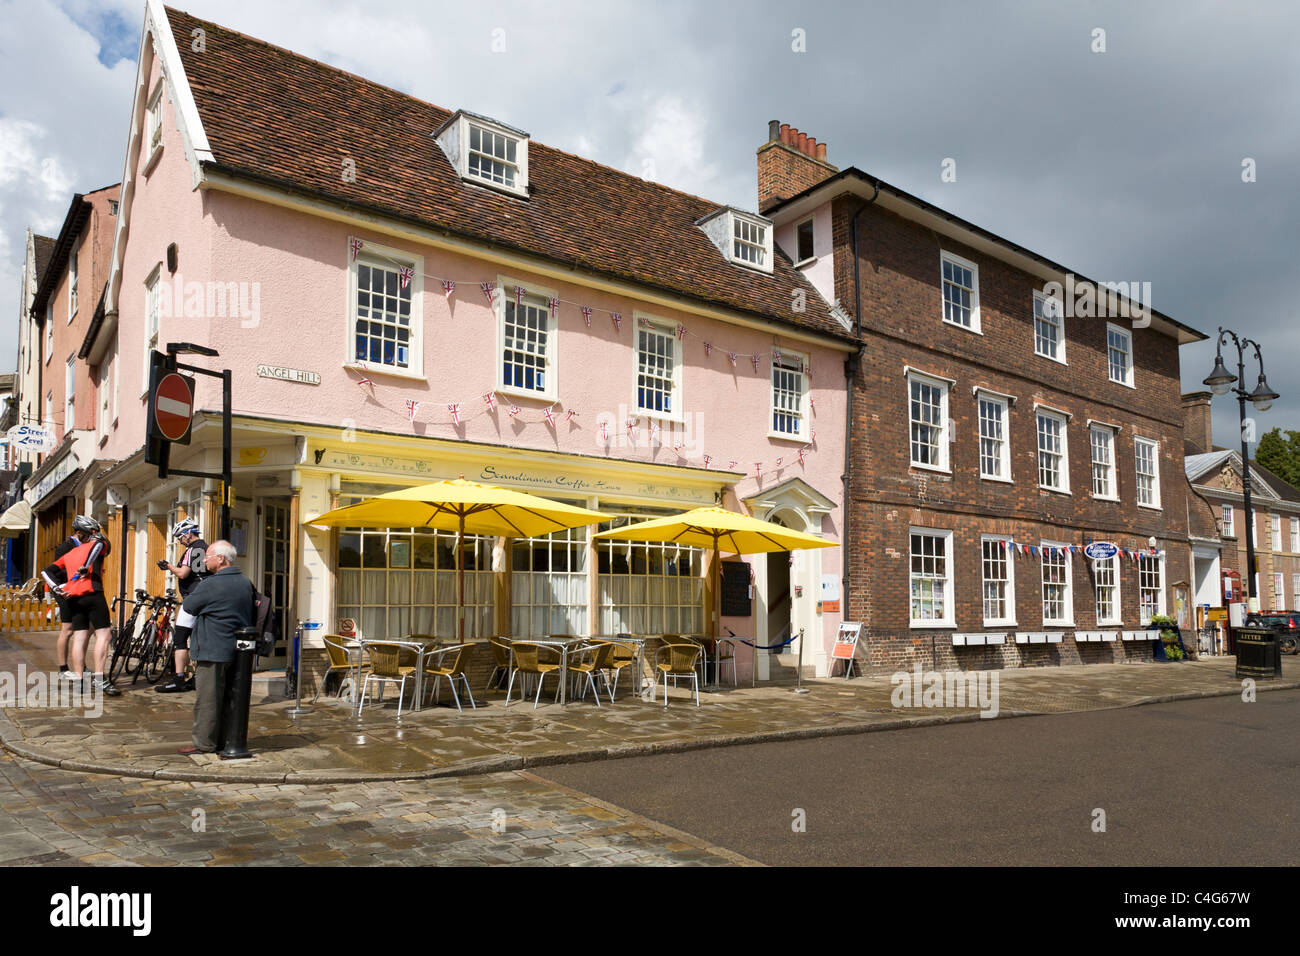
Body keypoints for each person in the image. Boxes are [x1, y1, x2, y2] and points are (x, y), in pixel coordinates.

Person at [177, 540, 255, 756]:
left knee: (208, 700)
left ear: (221, 559)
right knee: (230, 698)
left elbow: (189, 606)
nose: (204, 560)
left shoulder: (211, 584)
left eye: (208, 556)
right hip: (236, 651)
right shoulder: (244, 581)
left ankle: (204, 743)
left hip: (212, 649)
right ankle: (224, 739)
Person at [41, 515, 119, 698]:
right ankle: (100, 679)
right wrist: (86, 566)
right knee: (103, 635)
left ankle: (79, 681)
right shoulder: (95, 545)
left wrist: (57, 589)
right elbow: (102, 544)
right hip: (93, 593)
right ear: (90, 532)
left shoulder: (69, 553)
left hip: (73, 597)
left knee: (80, 636)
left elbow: (46, 571)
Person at [155, 519, 209, 693]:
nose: (179, 541)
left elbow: (183, 573)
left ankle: (178, 680)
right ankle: (198, 678)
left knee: (180, 639)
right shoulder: (205, 548)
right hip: (204, 598)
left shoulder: (192, 549)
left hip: (191, 600)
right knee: (199, 640)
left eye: (180, 537)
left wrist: (168, 566)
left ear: (188, 534)